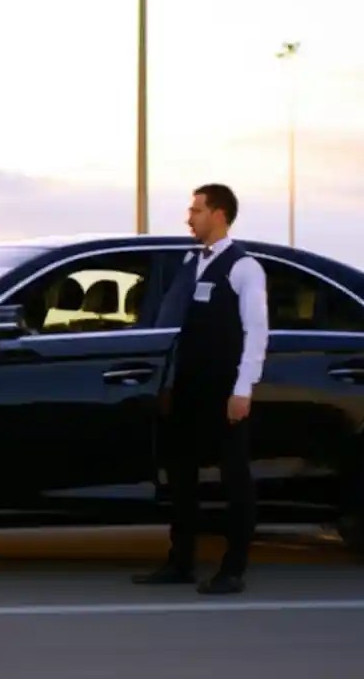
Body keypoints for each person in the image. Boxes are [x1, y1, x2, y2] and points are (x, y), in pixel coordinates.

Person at [131, 183, 269, 595]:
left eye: (197, 210)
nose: (189, 218)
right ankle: (181, 561)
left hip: (225, 388)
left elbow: (257, 331)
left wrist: (243, 388)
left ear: (220, 214)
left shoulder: (244, 268)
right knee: (182, 474)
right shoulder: (191, 263)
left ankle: (234, 568)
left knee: (233, 476)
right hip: (189, 387)